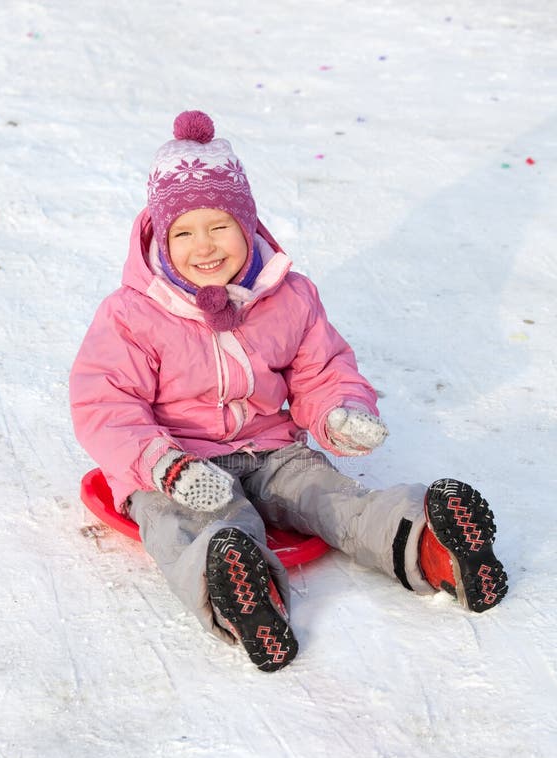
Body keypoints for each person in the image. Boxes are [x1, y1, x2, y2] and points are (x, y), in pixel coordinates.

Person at [70, 110, 508, 672]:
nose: (204, 246)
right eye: (183, 232)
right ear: (159, 234)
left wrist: (338, 412)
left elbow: (320, 367)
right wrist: (162, 464)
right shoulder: (132, 315)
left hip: (270, 450)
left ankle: (435, 546)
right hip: (175, 464)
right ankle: (242, 593)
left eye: (220, 226)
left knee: (334, 499)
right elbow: (105, 404)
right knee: (196, 524)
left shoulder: (289, 297)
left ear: (248, 224)